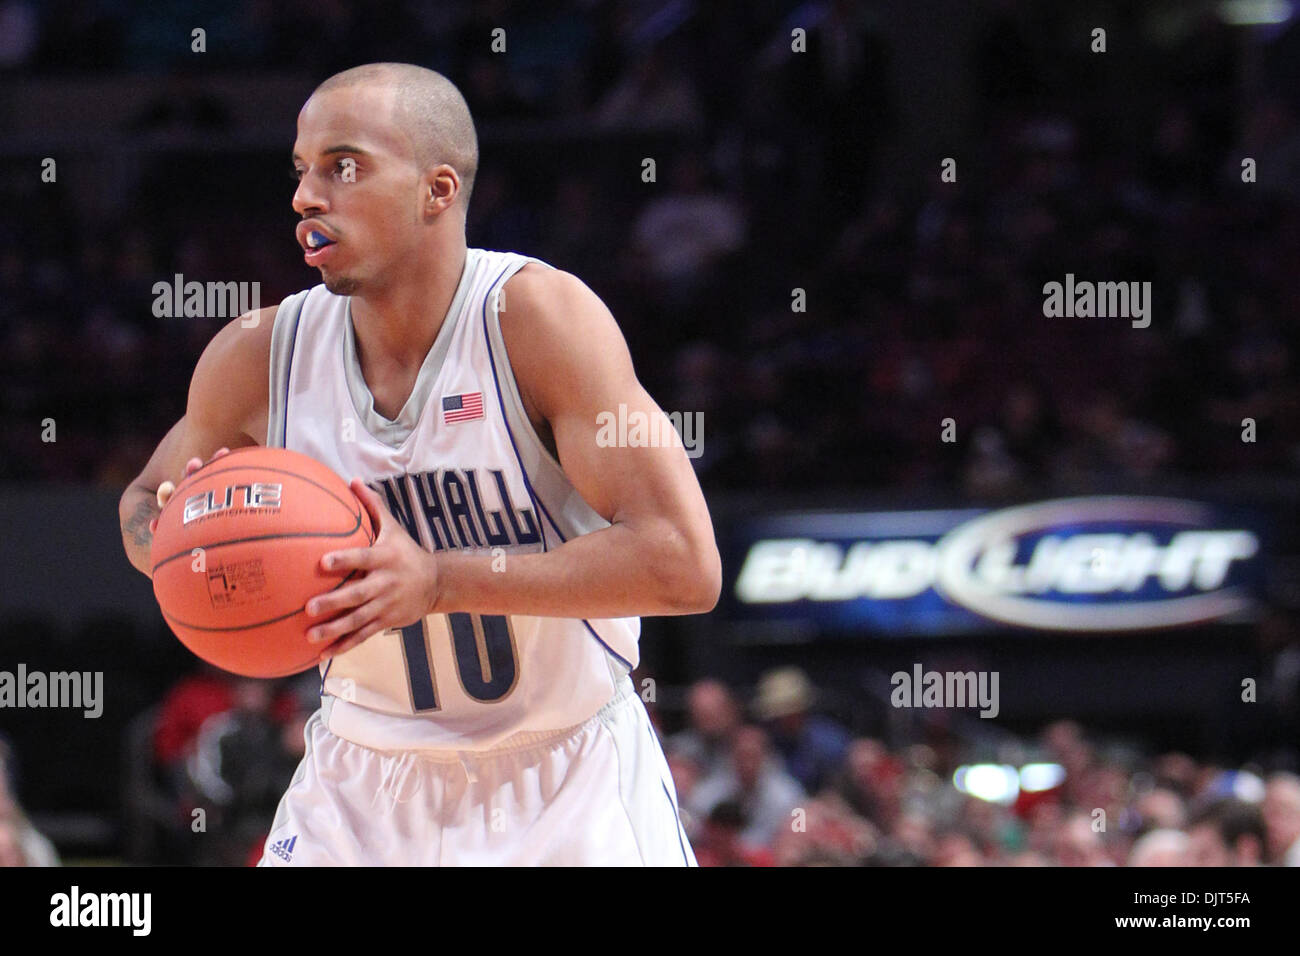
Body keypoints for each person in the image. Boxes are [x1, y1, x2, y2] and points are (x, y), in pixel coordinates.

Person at [118, 62, 721, 866]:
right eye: (301, 172)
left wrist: (438, 580)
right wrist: (179, 536)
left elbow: (683, 565)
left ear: (436, 191)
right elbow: (140, 507)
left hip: (564, 777)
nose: (305, 197)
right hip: (359, 782)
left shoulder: (534, 322)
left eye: (344, 166)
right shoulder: (257, 355)